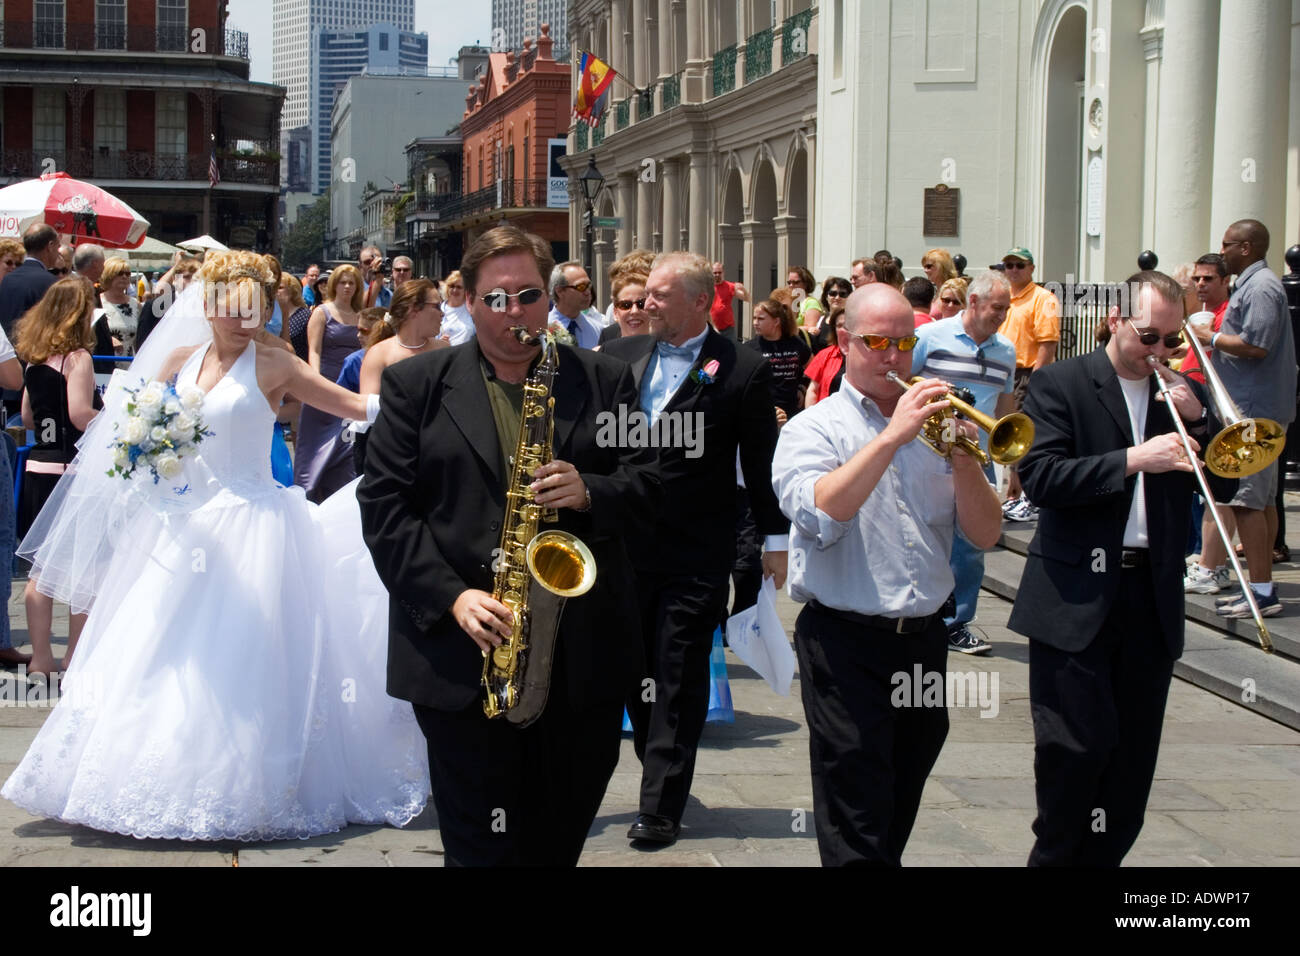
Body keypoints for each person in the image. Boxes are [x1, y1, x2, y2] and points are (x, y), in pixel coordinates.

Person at [2, 250, 429, 840]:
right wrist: (140, 450)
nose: (241, 317)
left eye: (252, 307)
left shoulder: (276, 364)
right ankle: (138, 775)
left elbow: (355, 406)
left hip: (253, 524)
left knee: (242, 654)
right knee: (159, 651)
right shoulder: (177, 360)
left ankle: (244, 786)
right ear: (206, 306)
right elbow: (125, 425)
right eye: (230, 306)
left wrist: (434, 399)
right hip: (178, 527)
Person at [358, 225, 658, 866]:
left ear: (549, 300)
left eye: (527, 296)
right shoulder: (418, 386)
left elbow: (651, 486)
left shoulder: (606, 381)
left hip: (582, 664)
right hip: (461, 656)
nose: (512, 313)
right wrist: (452, 598)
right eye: (496, 299)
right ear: (467, 299)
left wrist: (590, 492)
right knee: (478, 850)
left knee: (556, 846)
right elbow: (385, 509)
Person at [772, 283, 1002, 866]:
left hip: (923, 639)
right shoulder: (813, 428)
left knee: (901, 791)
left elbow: (985, 534)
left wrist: (964, 460)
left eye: (905, 342)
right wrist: (892, 436)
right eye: (878, 342)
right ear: (844, 340)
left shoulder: (938, 426)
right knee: (855, 805)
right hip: (845, 641)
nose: (894, 357)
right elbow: (824, 509)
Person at [1007, 271, 1217, 866]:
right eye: (1149, 337)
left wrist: (1200, 419)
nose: (1160, 352)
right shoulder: (1060, 384)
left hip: (1149, 595)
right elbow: (1042, 479)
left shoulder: (1178, 393)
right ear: (1113, 320)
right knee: (1073, 754)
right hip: (1075, 594)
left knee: (1129, 769)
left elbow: (1228, 476)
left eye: (1172, 341)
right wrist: (1133, 459)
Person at [602, 251, 787, 848]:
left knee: (678, 675)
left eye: (656, 295)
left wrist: (771, 541)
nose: (642, 304)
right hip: (623, 549)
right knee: (634, 675)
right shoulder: (616, 357)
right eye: (641, 296)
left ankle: (660, 804)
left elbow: (759, 465)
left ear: (696, 300)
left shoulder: (741, 369)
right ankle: (654, 763)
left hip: (696, 552)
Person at [1189, 219, 1296, 618]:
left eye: (1228, 245)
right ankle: (1260, 588)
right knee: (1262, 502)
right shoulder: (1254, 285)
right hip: (1254, 408)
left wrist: (1210, 338)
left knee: (1248, 503)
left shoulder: (1263, 286)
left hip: (1254, 412)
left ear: (1247, 247)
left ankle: (1262, 593)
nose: (1223, 250)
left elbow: (1256, 345)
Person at [911, 270, 1017, 654]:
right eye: (996, 308)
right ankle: (922, 611)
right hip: (926, 452)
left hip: (977, 458)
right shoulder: (929, 337)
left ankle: (957, 623)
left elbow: (1006, 407)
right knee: (925, 535)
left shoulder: (1006, 349)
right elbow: (904, 384)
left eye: (1006, 309)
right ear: (973, 302)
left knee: (972, 544)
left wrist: (1013, 465)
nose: (1002, 315)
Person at [12, 279, 103, 679]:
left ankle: (40, 658)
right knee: (81, 572)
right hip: (71, 472)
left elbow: (29, 418)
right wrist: (120, 421)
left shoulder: (34, 359)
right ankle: (74, 659)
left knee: (40, 572)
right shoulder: (77, 357)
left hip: (37, 467)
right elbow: (81, 413)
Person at [1181, 253, 1237, 594]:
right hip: (1195, 399)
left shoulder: (1226, 314)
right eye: (1197, 279)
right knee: (1201, 489)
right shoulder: (1199, 312)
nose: (1200, 284)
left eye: (1208, 279)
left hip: (1214, 407)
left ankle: (1211, 566)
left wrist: (1210, 335)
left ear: (1224, 281)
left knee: (1217, 492)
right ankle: (1208, 559)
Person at [999, 246, 1061, 521]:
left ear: (1032, 269)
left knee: (1021, 433)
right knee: (1004, 434)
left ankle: (1028, 496)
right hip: (1004, 371)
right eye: (1009, 265)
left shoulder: (1042, 298)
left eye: (1019, 265)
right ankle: (1015, 492)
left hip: (1025, 372)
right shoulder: (1005, 297)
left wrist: (1037, 380)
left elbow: (1047, 344)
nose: (1013, 270)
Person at [296, 264, 363, 502]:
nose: (347, 287)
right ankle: (308, 497)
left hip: (350, 390)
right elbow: (313, 351)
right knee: (314, 451)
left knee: (346, 450)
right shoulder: (321, 312)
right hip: (323, 387)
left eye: (352, 283)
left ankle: (340, 499)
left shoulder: (361, 315)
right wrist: (315, 383)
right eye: (343, 282)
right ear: (334, 284)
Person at [749, 297, 811, 419]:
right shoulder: (750, 348)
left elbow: (812, 367)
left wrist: (802, 387)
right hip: (763, 411)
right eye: (754, 318)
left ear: (776, 321)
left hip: (793, 410)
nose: (755, 323)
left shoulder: (796, 343)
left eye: (761, 319)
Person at [0, 224, 60, 339]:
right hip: (33, 351)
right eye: (58, 247)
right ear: (50, 246)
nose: (58, 254)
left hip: (6, 352)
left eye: (16, 263)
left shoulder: (7, 280)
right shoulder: (50, 282)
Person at [547, 261, 603, 348]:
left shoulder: (598, 330)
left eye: (589, 285)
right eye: (581, 287)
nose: (588, 292)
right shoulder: (543, 329)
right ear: (560, 291)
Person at [94, 256, 142, 356]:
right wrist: (109, 339)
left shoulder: (136, 305)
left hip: (128, 364)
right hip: (103, 362)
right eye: (119, 273)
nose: (124, 276)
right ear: (108, 275)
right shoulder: (97, 302)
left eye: (127, 273)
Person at [803, 307, 847, 408]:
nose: (844, 329)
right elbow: (813, 390)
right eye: (839, 325)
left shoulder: (868, 355)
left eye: (847, 325)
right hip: (827, 416)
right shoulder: (824, 355)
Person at [598, 268, 652, 345]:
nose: (634, 311)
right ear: (615, 313)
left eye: (642, 304)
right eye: (625, 305)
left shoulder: (667, 354)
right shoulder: (601, 354)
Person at [710, 261, 750, 341]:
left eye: (719, 272)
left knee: (730, 351)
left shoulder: (730, 286)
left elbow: (747, 298)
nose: (717, 275)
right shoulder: (707, 287)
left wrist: (743, 289)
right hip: (712, 327)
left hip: (727, 329)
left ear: (723, 273)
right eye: (715, 273)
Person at [439, 269, 475, 345]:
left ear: (466, 290)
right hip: (443, 353)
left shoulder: (472, 310)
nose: (455, 290)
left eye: (459, 287)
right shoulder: (438, 309)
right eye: (452, 286)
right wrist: (438, 342)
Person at [788, 266, 823, 335]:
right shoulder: (792, 302)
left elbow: (811, 328)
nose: (791, 285)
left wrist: (788, 329)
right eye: (789, 282)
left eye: (796, 282)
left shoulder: (811, 303)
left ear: (806, 284)